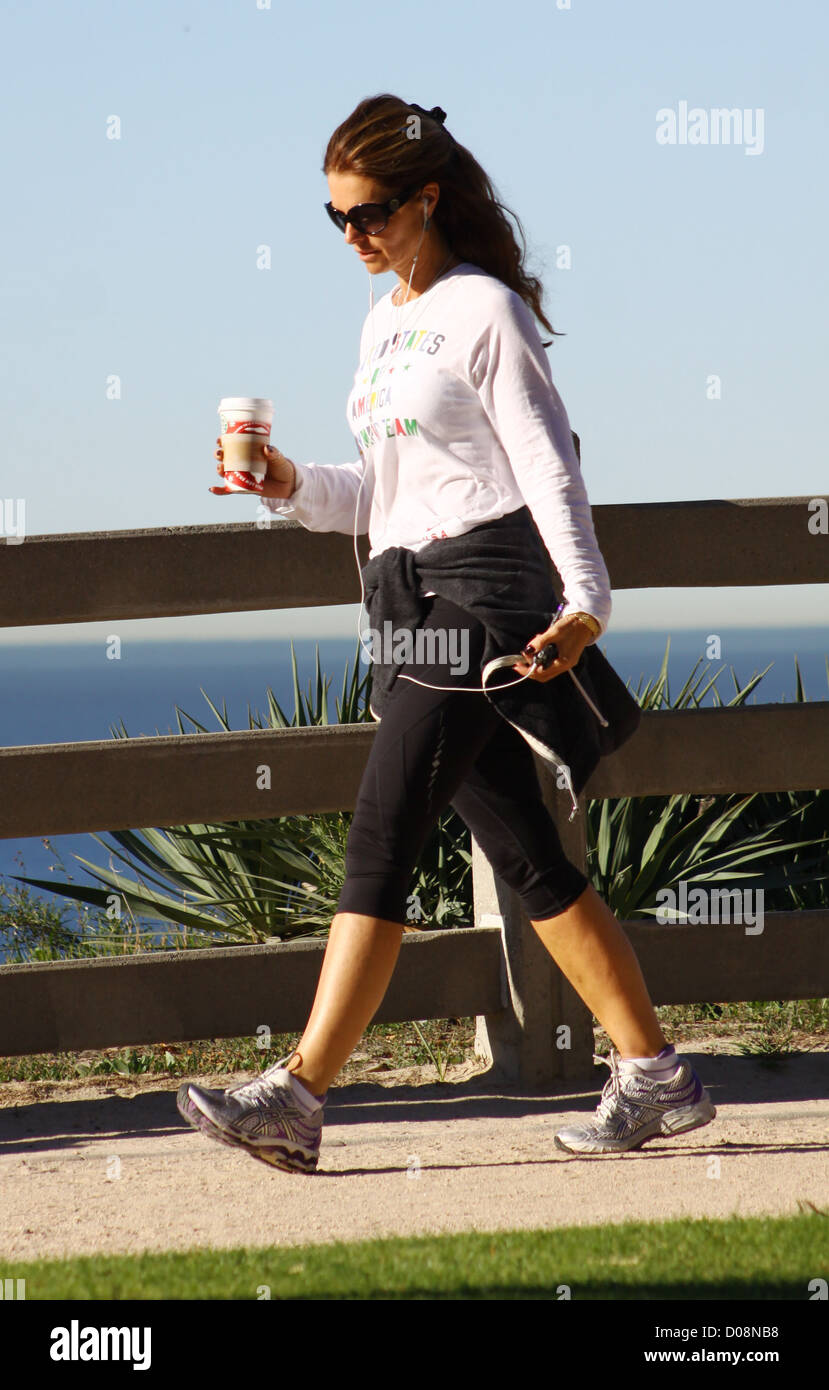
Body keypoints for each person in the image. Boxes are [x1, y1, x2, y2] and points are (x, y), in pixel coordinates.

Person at [178, 95, 716, 1173]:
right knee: (525, 853)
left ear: (427, 198)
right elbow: (381, 492)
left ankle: (296, 1093)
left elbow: (548, 467)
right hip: (402, 601)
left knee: (381, 831)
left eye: (369, 212)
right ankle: (655, 1076)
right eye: (333, 216)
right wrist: (290, 486)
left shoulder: (486, 313)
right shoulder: (383, 323)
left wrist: (584, 604)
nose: (353, 236)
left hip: (477, 598)